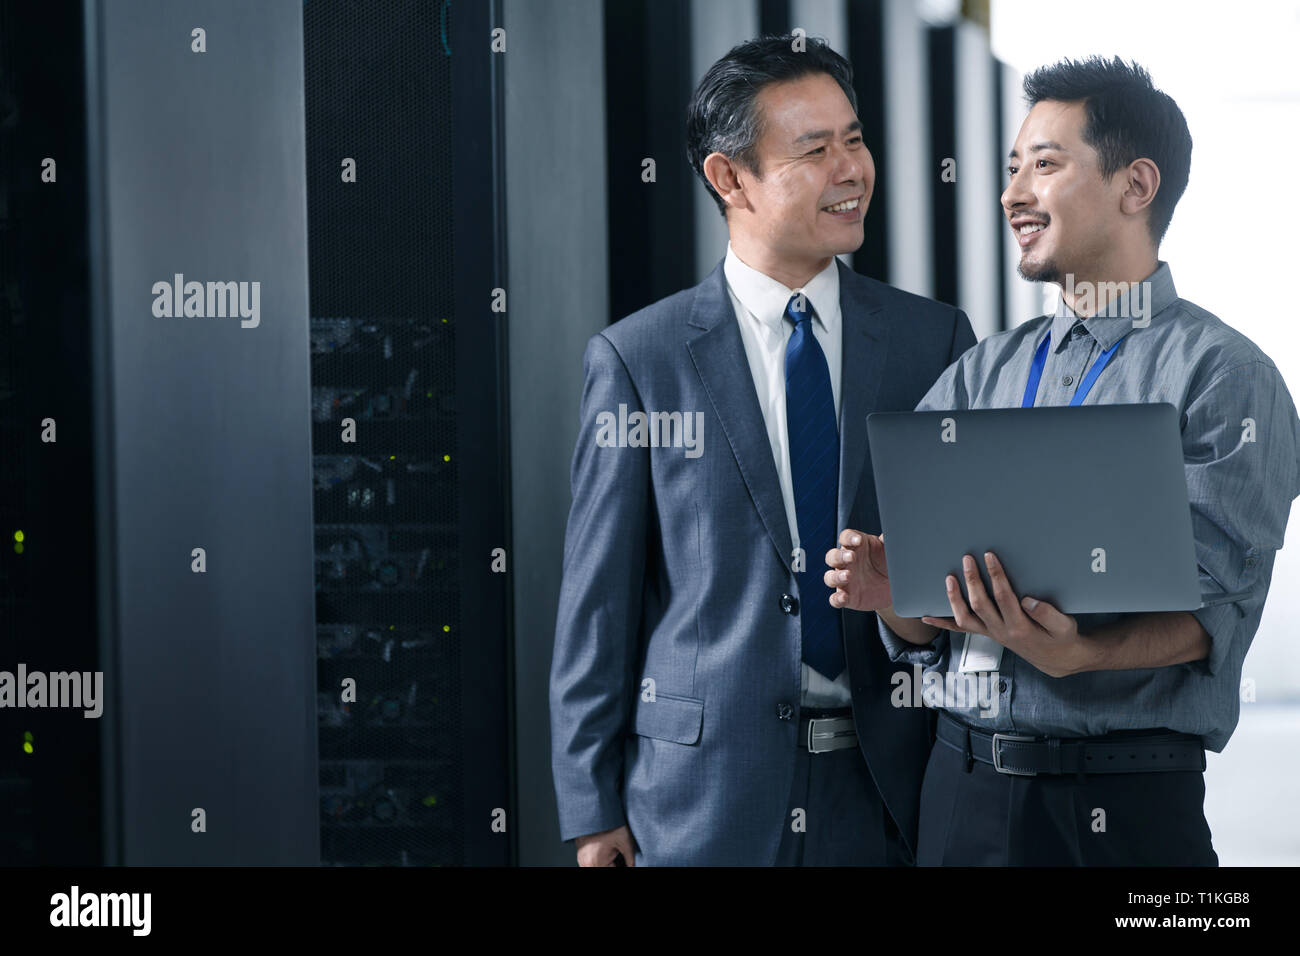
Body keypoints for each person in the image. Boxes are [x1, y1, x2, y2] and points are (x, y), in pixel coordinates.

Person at [827, 56, 1300, 866]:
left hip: (1121, 805)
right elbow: (930, 623)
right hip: (957, 792)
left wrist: (1082, 654)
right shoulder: (979, 373)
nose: (1012, 196)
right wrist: (891, 593)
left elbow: (1215, 608)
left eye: (1044, 166)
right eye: (1012, 170)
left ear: (1136, 184)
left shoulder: (1225, 375)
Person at [549, 34, 975, 866]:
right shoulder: (642, 360)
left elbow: (959, 566)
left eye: (854, 139)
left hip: (892, 789)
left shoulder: (933, 342)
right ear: (728, 177)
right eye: (814, 150)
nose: (850, 169)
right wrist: (591, 811)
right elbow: (597, 604)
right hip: (700, 799)